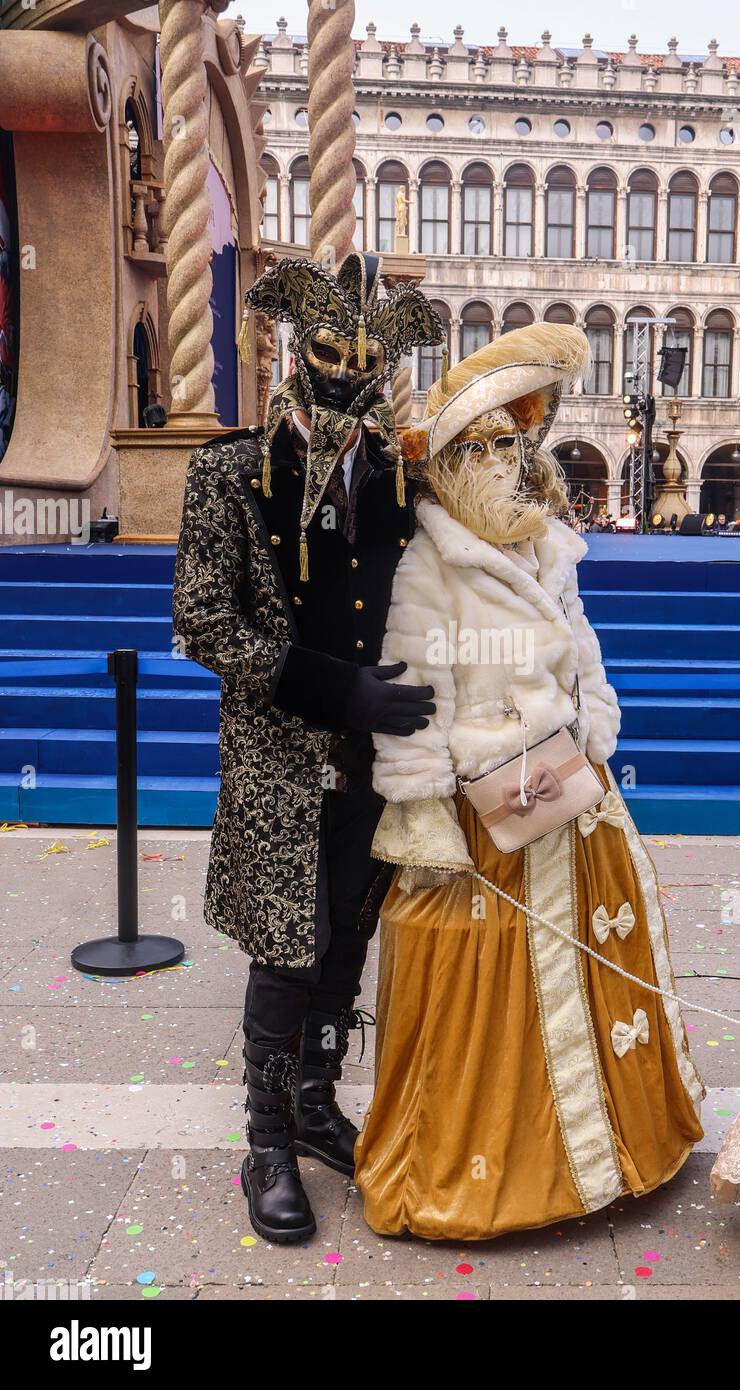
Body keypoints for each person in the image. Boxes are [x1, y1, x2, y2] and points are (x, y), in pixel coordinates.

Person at [352, 323, 705, 1240]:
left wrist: (595, 729)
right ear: (456, 458)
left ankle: (611, 1150)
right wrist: (426, 818)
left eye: (518, 442)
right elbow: (411, 699)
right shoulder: (430, 562)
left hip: (570, 794)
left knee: (595, 965)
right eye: (491, 446)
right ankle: (491, 1173)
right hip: (489, 817)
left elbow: (583, 655)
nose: (510, 461)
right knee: (490, 993)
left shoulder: (548, 548)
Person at [172, 253, 444, 1243]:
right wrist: (334, 687)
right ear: (299, 348)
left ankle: (318, 1100)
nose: (346, 372)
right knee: (286, 948)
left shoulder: (399, 478)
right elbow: (203, 622)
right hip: (279, 764)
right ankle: (267, 1141)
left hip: (371, 767)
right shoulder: (228, 470)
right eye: (330, 349)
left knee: (346, 942)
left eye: (366, 357)